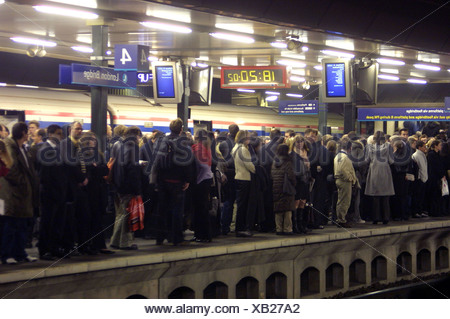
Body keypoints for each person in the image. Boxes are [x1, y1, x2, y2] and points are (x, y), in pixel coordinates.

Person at [0, 122, 38, 264]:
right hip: (12, 193)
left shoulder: (23, 148)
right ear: (23, 133)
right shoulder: (9, 146)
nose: (29, 134)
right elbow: (10, 169)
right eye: (27, 131)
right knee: (10, 225)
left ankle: (20, 253)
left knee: (22, 224)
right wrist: (24, 182)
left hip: (23, 194)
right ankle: (7, 254)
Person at [151, 118, 194, 245]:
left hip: (163, 181)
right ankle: (176, 237)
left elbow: (155, 161)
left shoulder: (161, 140)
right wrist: (187, 180)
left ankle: (160, 237)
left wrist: (155, 180)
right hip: (177, 182)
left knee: (162, 209)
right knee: (177, 210)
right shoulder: (183, 143)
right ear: (181, 129)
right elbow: (187, 162)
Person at [36, 124, 67, 260]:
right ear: (50, 134)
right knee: (47, 222)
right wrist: (52, 191)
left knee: (57, 222)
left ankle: (54, 247)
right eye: (58, 134)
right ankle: (44, 249)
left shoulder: (57, 150)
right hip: (49, 193)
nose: (60, 137)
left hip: (59, 192)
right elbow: (44, 175)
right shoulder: (45, 150)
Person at [110, 126, 142, 250]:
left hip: (118, 184)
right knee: (127, 214)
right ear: (136, 135)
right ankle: (125, 242)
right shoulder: (133, 146)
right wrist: (137, 190)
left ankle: (115, 240)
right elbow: (132, 170)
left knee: (120, 214)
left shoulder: (119, 145)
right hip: (127, 186)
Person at [365, 131, 394, 224]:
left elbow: (367, 160)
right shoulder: (388, 146)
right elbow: (391, 160)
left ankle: (375, 218)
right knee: (385, 197)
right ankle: (386, 218)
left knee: (375, 197)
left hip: (374, 170)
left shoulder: (369, 147)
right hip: (385, 170)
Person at [191, 129, 214, 242]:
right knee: (202, 208)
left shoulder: (198, 148)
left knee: (200, 209)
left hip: (202, 182)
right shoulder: (206, 147)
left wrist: (197, 181)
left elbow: (203, 167)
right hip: (207, 180)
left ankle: (202, 235)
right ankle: (202, 234)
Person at [232, 130, 255, 237]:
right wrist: (257, 170)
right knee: (243, 205)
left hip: (238, 177)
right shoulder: (243, 150)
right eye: (248, 137)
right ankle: (240, 228)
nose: (249, 139)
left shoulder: (235, 148)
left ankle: (238, 227)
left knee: (239, 204)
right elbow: (249, 165)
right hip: (244, 178)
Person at [219, 124, 239, 235]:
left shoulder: (223, 144)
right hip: (236, 174)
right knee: (236, 201)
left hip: (226, 175)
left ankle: (224, 226)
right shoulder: (238, 145)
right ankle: (233, 225)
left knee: (227, 201)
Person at [271, 144, 296, 235]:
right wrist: (294, 183)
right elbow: (291, 176)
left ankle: (278, 228)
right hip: (286, 187)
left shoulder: (274, 162)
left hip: (276, 187)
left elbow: (272, 175)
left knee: (278, 209)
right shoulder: (287, 162)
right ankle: (287, 229)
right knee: (287, 209)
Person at [334, 138, 358, 228]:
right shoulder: (344, 157)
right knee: (345, 201)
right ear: (350, 147)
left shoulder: (338, 156)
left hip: (339, 180)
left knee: (340, 201)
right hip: (344, 181)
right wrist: (350, 178)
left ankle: (340, 218)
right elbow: (343, 170)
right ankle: (341, 219)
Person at [291, 135, 311, 233]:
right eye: (298, 142)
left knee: (303, 202)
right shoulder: (292, 154)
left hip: (305, 180)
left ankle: (301, 224)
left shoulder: (306, 153)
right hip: (297, 181)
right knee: (296, 202)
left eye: (301, 142)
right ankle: (295, 225)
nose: (300, 144)